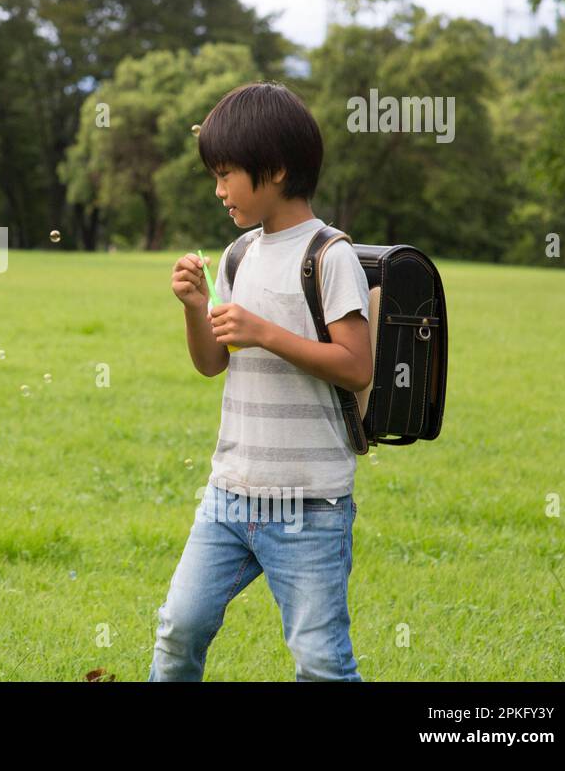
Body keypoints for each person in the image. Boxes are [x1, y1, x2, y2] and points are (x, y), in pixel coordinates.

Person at [150, 81, 373, 682]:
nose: (219, 191)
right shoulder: (238, 255)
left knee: (321, 662)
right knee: (179, 629)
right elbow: (212, 362)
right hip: (229, 492)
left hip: (310, 502)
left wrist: (265, 331)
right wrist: (196, 308)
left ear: (274, 170)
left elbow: (357, 365)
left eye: (227, 175)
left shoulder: (330, 256)